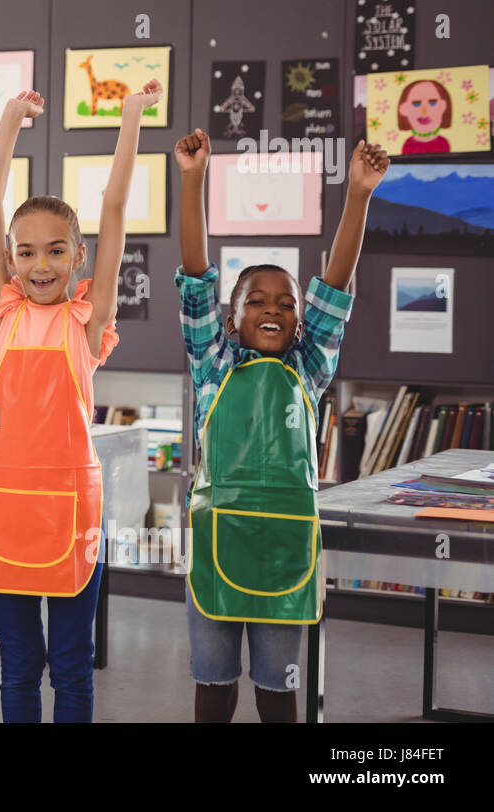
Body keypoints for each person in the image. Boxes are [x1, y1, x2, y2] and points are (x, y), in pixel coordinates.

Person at [175, 128, 390, 723]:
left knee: (279, 689)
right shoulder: (212, 364)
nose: (273, 307)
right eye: (256, 299)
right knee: (213, 684)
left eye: (287, 303)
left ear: (301, 323)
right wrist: (193, 180)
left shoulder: (310, 367)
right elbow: (195, 276)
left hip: (288, 551)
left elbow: (337, 285)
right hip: (217, 544)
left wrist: (359, 196)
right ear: (231, 316)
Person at [0, 83, 160, 722]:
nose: (41, 264)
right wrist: (8, 123)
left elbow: (113, 207)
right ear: (10, 259)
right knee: (19, 664)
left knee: (72, 666)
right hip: (5, 512)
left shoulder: (87, 321)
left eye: (57, 251)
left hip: (72, 515)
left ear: (79, 259)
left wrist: (131, 117)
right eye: (26, 252)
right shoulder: (0, 314)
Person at [396, 78, 452, 154]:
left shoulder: (443, 143)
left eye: (432, 103)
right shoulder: (408, 145)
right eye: (416, 103)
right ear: (403, 109)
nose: (424, 111)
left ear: (444, 106)